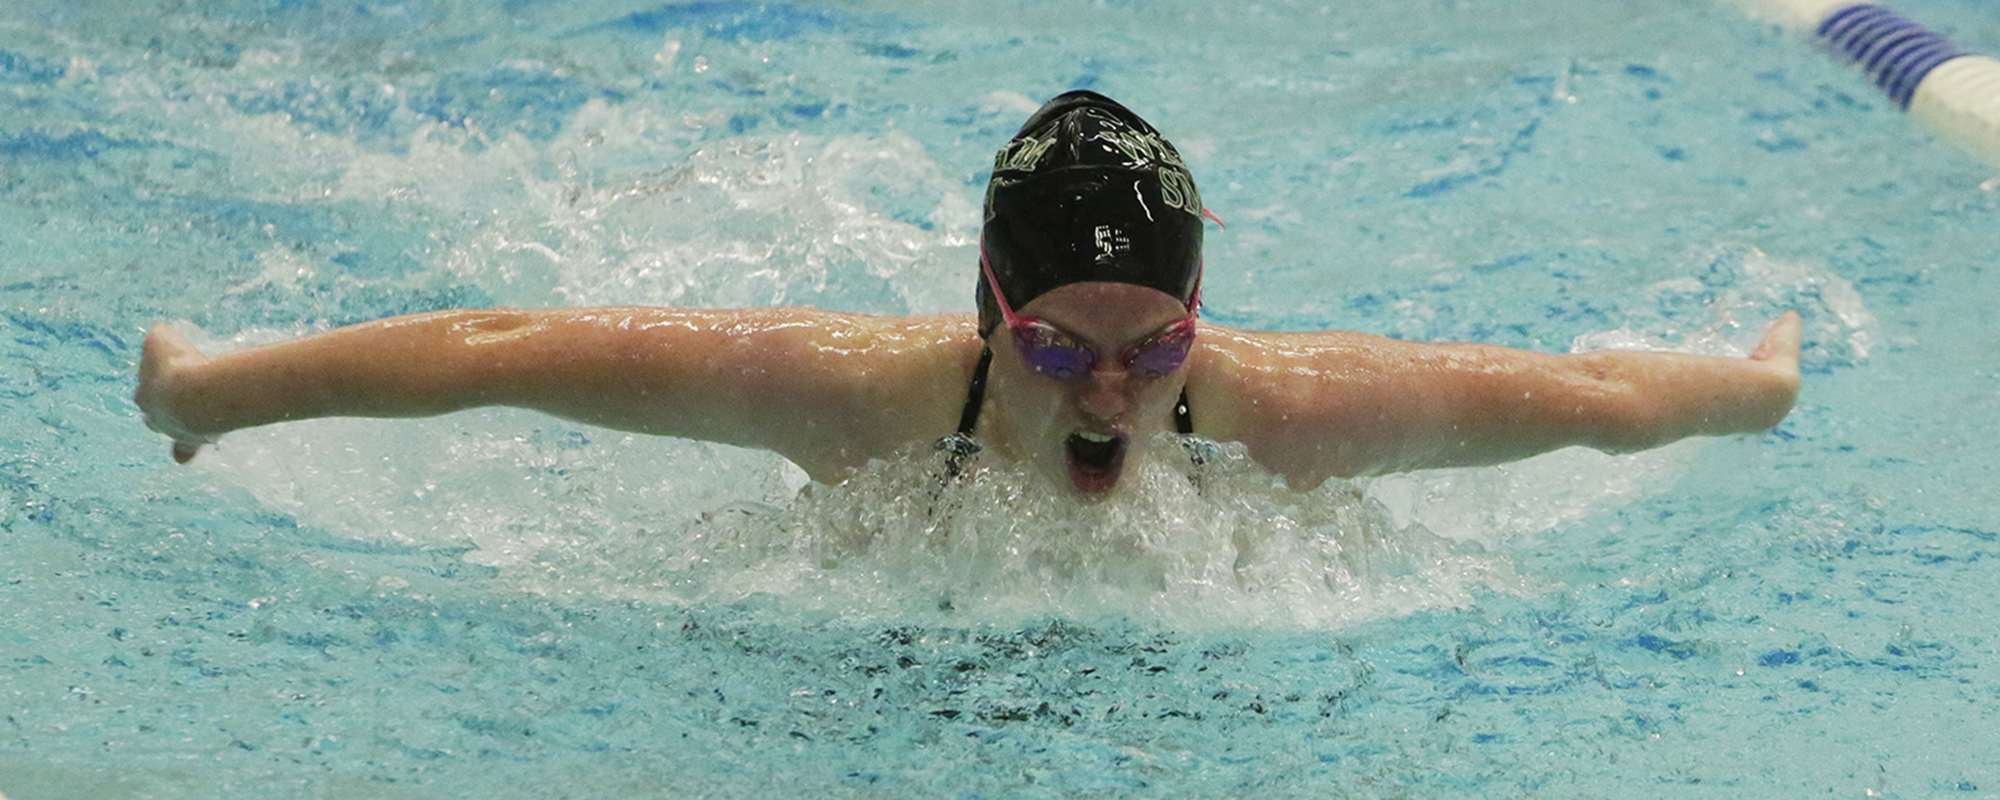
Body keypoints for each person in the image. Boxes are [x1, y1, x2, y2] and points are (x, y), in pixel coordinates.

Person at [134, 91, 1802, 496]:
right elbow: (500, 348)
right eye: (1055, 344)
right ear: (983, 311)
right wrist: (209, 389)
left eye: (1154, 351)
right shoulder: (849, 391)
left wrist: (1762, 383)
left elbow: (1596, 408)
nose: (1105, 393)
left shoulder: (1282, 411)